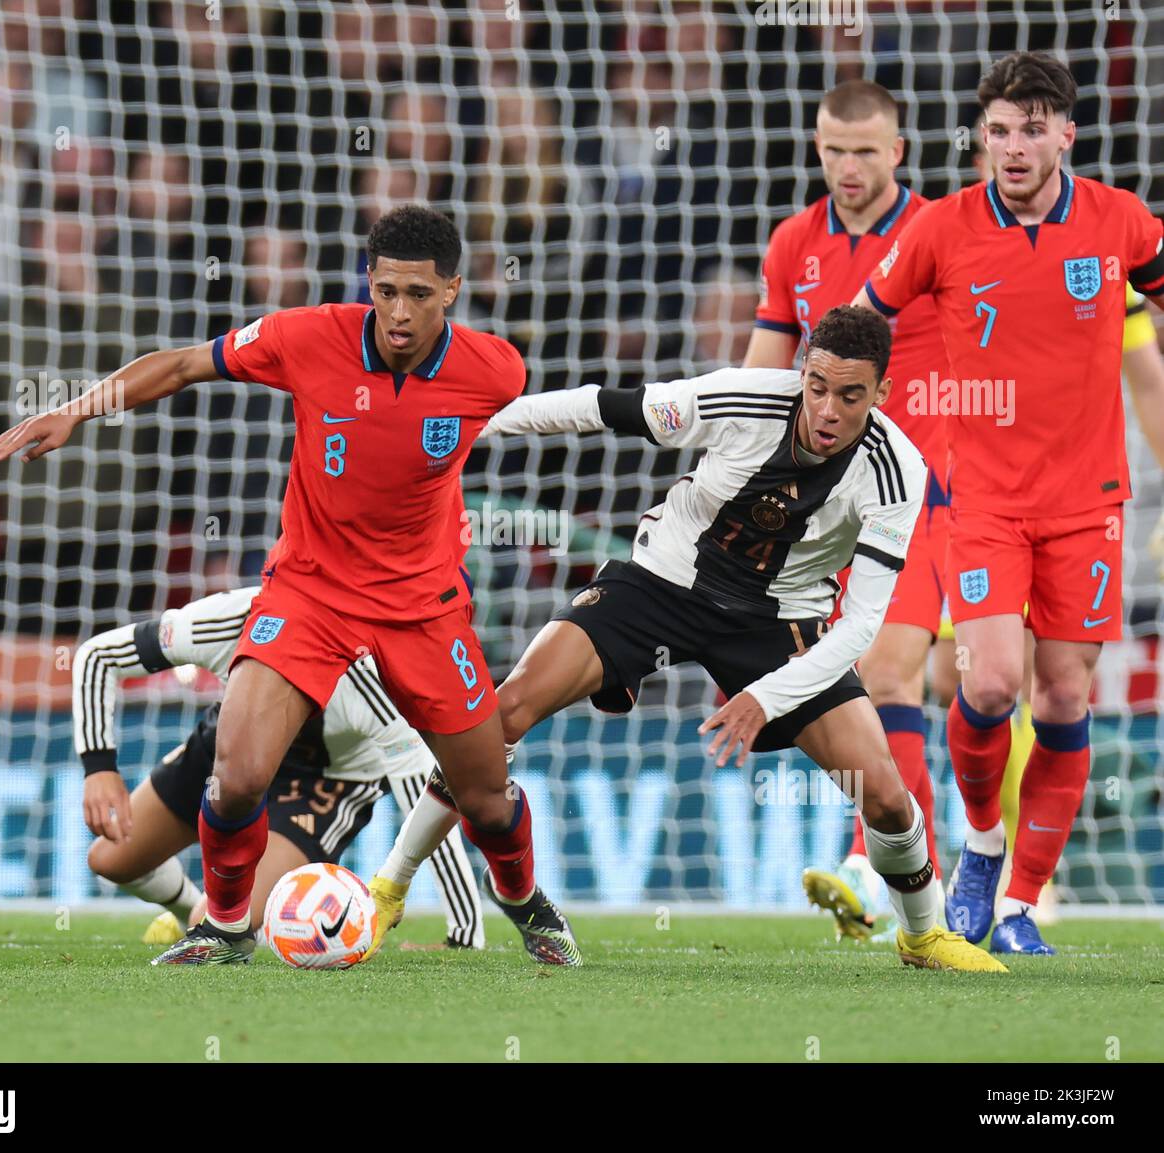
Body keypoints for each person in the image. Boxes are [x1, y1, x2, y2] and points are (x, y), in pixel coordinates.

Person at [0, 204, 580, 967]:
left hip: (422, 606)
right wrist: (78, 408)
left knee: (488, 798)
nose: (399, 313)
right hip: (310, 592)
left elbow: (551, 420)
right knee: (235, 776)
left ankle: (528, 905)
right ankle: (224, 925)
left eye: (419, 296)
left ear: (453, 291)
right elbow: (182, 365)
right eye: (387, 290)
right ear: (369, 280)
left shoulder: (494, 369)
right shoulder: (307, 336)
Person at [375, 305, 1006, 973]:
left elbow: (861, 623)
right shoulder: (742, 397)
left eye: (849, 395)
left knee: (881, 787)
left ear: (880, 393)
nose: (826, 409)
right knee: (502, 714)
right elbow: (600, 407)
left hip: (779, 623)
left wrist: (766, 696)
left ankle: (924, 935)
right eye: (816, 386)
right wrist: (480, 420)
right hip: (661, 584)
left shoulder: (896, 471)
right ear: (802, 373)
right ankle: (389, 886)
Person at [855, 52, 1164, 954]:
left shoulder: (1120, 222)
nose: (1014, 147)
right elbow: (864, 316)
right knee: (989, 681)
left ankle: (1024, 903)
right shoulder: (943, 229)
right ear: (981, 136)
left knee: (1064, 699)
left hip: (1089, 501)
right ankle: (982, 842)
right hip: (981, 497)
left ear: (1066, 133)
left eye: (1033, 129)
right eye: (999, 131)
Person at [743, 79, 951, 942]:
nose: (848, 166)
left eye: (866, 149)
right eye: (833, 148)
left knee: (898, 674)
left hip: (927, 492)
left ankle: (885, 868)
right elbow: (765, 374)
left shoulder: (940, 231)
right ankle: (904, 880)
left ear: (898, 151)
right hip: (823, 509)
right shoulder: (795, 241)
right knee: (853, 688)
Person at [75, 585, 484, 950]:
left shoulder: (364, 678)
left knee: (217, 924)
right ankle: (186, 911)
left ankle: (203, 917)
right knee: (110, 860)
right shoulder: (230, 620)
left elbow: (428, 789)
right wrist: (98, 768)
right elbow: (96, 657)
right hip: (234, 747)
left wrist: (465, 932)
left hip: (323, 782)